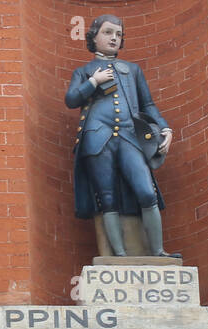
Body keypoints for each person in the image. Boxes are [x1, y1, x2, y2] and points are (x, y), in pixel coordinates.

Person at [65, 14, 177, 258]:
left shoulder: (133, 70)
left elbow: (148, 104)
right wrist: (93, 81)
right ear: (94, 37)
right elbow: (71, 99)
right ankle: (119, 256)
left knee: (147, 192)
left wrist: (165, 127)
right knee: (107, 198)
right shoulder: (84, 71)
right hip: (97, 136)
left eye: (118, 34)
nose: (114, 38)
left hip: (128, 135)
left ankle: (158, 251)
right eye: (107, 32)